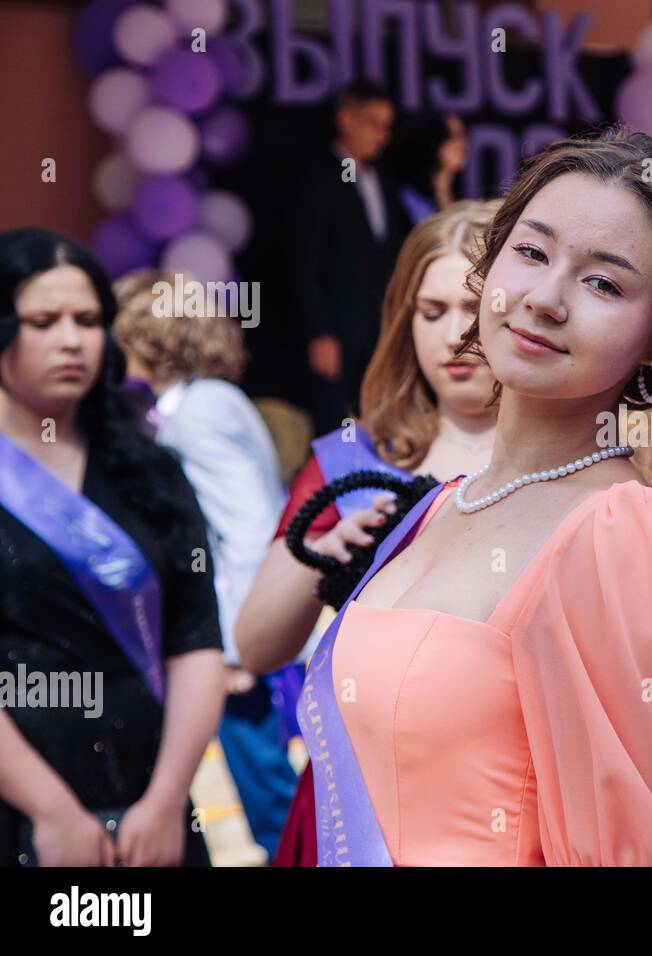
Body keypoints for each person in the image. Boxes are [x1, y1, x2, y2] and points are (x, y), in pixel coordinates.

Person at [293, 128, 652, 865]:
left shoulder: (616, 531)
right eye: (531, 252)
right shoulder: (442, 506)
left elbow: (622, 849)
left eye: (604, 284)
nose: (544, 299)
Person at [238, 200, 501, 865]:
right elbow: (257, 646)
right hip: (351, 812)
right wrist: (319, 556)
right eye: (431, 311)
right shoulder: (349, 461)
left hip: (501, 808)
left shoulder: (582, 465)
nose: (454, 335)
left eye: (473, 309)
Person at [0, 228, 225, 866]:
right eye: (43, 321)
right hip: (21, 807)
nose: (71, 340)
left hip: (151, 805)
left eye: (88, 320)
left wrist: (166, 801)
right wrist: (50, 811)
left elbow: (195, 642)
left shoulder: (149, 470)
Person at [112, 268, 297, 862]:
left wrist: (238, 647)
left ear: (148, 338)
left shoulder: (201, 412)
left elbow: (248, 529)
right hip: (230, 629)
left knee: (268, 795)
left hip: (236, 638)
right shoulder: (200, 403)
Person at [289, 79, 412, 435]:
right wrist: (320, 332)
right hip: (338, 331)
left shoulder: (382, 177)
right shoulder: (318, 178)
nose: (382, 136)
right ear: (346, 119)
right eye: (374, 124)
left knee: (377, 415)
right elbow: (305, 263)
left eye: (387, 126)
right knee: (335, 420)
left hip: (378, 328)